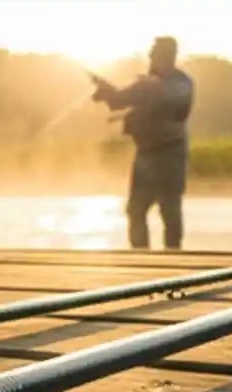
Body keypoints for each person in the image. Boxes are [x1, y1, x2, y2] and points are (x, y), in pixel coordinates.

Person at [91, 36, 194, 251]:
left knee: (170, 209)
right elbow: (119, 100)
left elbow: (175, 104)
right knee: (135, 210)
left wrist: (153, 86)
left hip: (170, 154)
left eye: (154, 53)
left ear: (168, 56)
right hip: (145, 156)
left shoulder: (182, 83)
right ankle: (141, 256)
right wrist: (106, 90)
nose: (150, 57)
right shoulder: (145, 84)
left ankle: (174, 257)